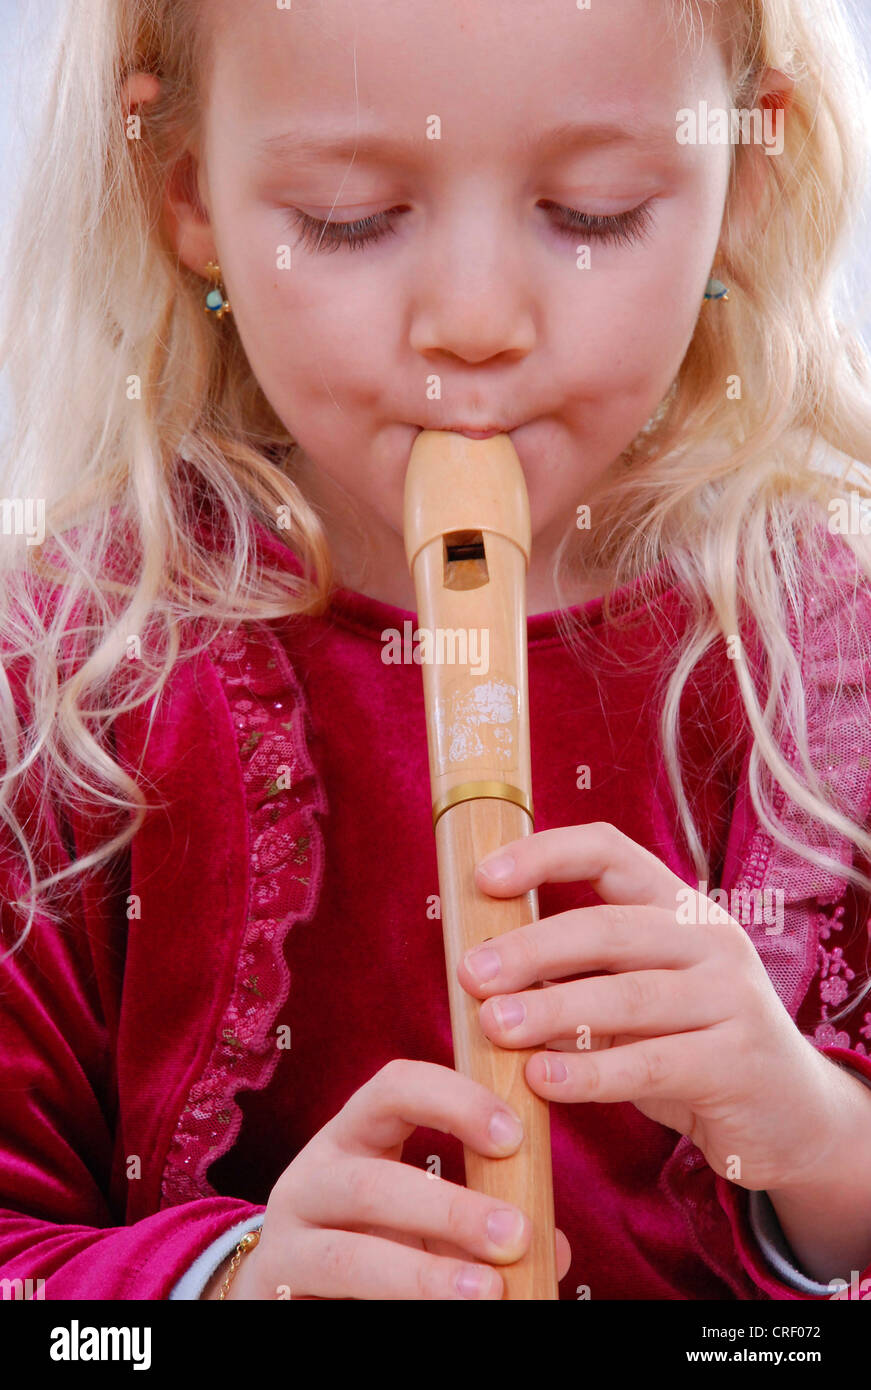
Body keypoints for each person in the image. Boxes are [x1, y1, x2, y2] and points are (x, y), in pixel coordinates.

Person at [1, 0, 871, 1302]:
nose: (475, 322)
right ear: (186, 191)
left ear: (742, 180)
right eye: (350, 216)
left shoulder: (823, 660)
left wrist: (813, 1139)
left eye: (594, 212)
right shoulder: (75, 677)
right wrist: (232, 1284)